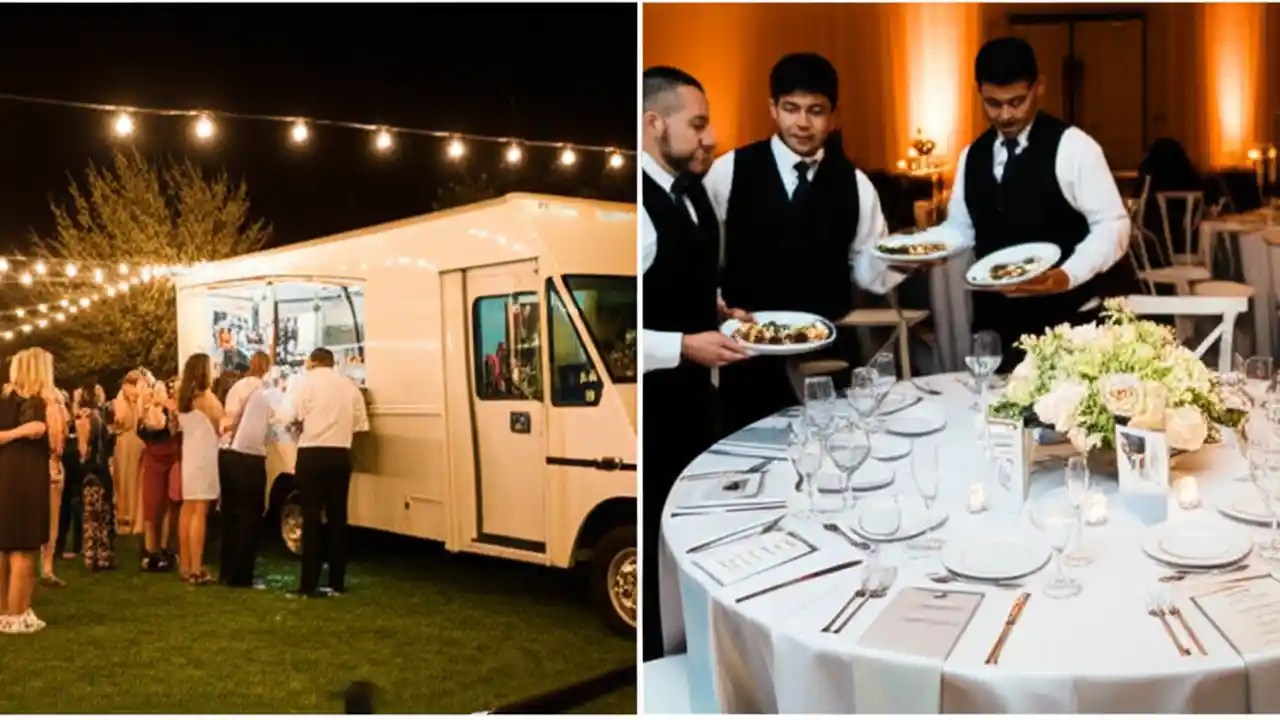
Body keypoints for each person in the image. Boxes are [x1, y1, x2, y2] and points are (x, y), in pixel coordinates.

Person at [898, 37, 1133, 371]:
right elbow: (961, 228)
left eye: (1016, 101)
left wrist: (1065, 275)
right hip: (996, 326)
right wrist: (919, 248)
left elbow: (1113, 225)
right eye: (993, 103)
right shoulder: (972, 155)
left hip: (1067, 326)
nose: (1005, 115)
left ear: (1039, 88)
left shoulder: (1075, 148)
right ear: (979, 92)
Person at [705, 52, 906, 433]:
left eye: (815, 111)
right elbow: (704, 254)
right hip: (748, 353)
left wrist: (904, 262)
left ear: (834, 116)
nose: (802, 123)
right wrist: (716, 303)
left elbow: (868, 273)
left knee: (830, 455)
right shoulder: (728, 171)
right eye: (791, 108)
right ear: (773, 108)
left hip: (827, 353)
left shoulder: (856, 184)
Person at [640, 66, 749, 660]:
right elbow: (617, 330)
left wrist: (719, 308)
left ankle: (700, 645)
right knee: (661, 532)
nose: (709, 138)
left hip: (699, 399)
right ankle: (662, 657)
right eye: (698, 124)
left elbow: (678, 279)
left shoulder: (692, 189)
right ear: (654, 123)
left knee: (695, 526)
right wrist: (683, 344)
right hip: (655, 410)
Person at [280, 347, 369, 598]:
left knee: (311, 516)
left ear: (312, 363)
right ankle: (337, 581)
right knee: (338, 517)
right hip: (339, 455)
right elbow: (360, 424)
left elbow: (289, 417)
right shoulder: (349, 387)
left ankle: (309, 582)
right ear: (333, 363)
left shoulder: (305, 384)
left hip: (312, 454)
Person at [0, 348, 53, 633]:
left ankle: (6, 612)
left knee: (5, 546)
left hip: (7, 473)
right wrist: (20, 432)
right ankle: (16, 614)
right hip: (24, 475)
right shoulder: (35, 402)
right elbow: (40, 430)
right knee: (21, 547)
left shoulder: (4, 400)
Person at [218, 351, 273, 588]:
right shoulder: (267, 392)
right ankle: (242, 575)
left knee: (230, 514)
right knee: (250, 516)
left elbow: (226, 421)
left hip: (228, 453)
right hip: (250, 456)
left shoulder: (238, 388)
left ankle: (227, 569)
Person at [176, 353, 223, 585]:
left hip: (190, 456)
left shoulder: (183, 398)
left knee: (187, 508)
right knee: (200, 512)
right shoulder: (206, 398)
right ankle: (196, 567)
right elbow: (221, 423)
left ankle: (185, 565)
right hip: (204, 457)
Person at [138, 377, 180, 571]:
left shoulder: (171, 411)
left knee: (168, 504)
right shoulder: (145, 412)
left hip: (170, 458)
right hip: (154, 459)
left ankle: (164, 549)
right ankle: (150, 549)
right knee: (152, 503)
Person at [38, 364, 69, 589]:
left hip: (47, 462)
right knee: (49, 518)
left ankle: (44, 566)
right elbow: (59, 437)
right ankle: (46, 567)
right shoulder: (50, 402)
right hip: (49, 463)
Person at [111, 370, 146, 534]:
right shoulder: (126, 398)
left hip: (128, 441)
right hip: (129, 440)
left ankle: (127, 516)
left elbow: (120, 419)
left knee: (128, 478)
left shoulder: (126, 398)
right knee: (128, 478)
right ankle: (129, 516)